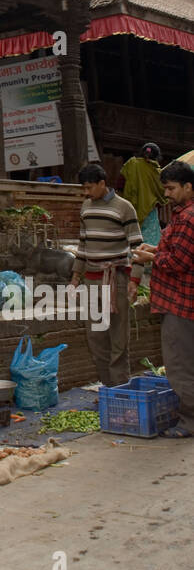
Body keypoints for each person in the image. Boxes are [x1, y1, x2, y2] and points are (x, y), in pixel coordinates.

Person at [133, 160, 194, 438]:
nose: (166, 194)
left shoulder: (189, 217)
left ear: (188, 187)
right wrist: (156, 248)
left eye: (170, 188)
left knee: (180, 365)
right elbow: (177, 251)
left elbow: (178, 261)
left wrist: (151, 257)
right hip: (180, 301)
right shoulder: (183, 215)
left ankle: (189, 422)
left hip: (180, 303)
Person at [72, 162, 143, 387]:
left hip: (117, 280)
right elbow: (82, 245)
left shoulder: (124, 208)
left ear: (103, 184)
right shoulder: (86, 207)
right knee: (96, 338)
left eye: (90, 187)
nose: (86, 192)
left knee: (119, 339)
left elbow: (138, 248)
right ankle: (107, 386)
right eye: (84, 188)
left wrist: (135, 280)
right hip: (91, 280)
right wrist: (75, 278)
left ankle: (121, 387)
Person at [122, 142, 165, 247]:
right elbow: (163, 193)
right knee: (150, 239)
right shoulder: (157, 172)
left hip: (131, 207)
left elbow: (120, 183)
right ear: (157, 156)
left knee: (131, 235)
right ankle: (147, 258)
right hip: (149, 211)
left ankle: (132, 257)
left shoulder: (131, 164)